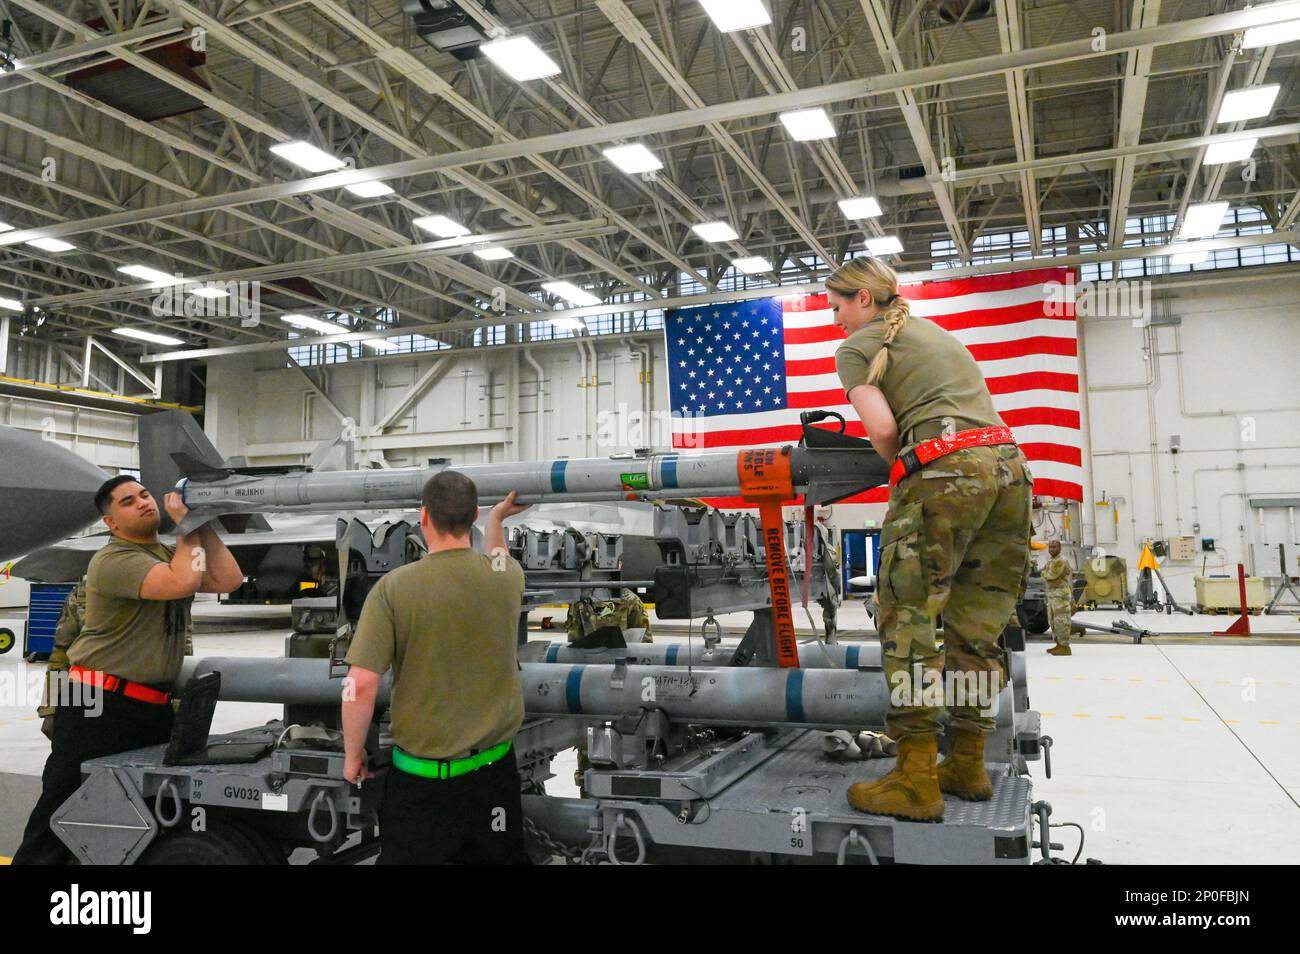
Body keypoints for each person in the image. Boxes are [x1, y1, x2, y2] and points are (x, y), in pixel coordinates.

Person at [829, 256, 1033, 822]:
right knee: (977, 626)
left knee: (910, 619)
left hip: (946, 473)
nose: (835, 318)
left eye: (839, 304)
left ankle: (916, 776)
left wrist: (909, 469)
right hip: (1010, 471)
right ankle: (967, 762)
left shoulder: (857, 348)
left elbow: (886, 431)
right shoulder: (937, 333)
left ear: (864, 300)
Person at [14, 475, 243, 864]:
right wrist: (187, 525)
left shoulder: (165, 552)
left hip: (147, 706)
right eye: (127, 502)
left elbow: (228, 579)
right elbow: (181, 581)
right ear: (111, 523)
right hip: (98, 704)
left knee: (136, 812)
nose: (142, 502)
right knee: (62, 813)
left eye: (144, 494)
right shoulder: (114, 559)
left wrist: (201, 522)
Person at [342, 472, 532, 865]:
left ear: (423, 516)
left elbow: (359, 685)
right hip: (493, 778)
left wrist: (352, 753)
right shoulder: (506, 578)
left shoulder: (394, 589)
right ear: (473, 514)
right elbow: (499, 558)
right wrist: (496, 522)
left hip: (421, 786)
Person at [1042, 540, 1074, 656]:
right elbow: (1046, 572)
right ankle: (1058, 644)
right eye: (1050, 547)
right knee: (1053, 620)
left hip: (1060, 595)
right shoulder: (1052, 561)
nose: (1051, 549)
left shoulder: (1061, 560)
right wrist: (1045, 572)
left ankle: (1064, 647)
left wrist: (1043, 573)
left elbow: (1051, 575)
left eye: (1054, 547)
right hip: (1053, 595)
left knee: (1061, 621)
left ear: (1059, 548)